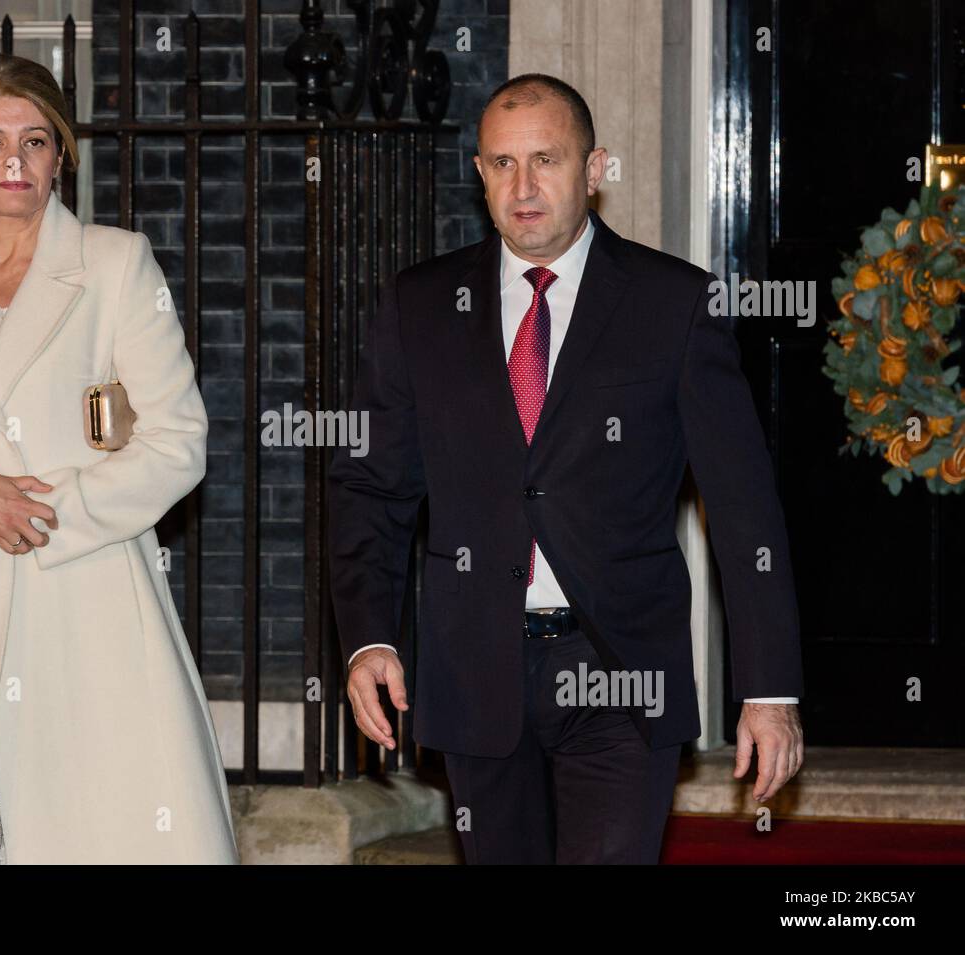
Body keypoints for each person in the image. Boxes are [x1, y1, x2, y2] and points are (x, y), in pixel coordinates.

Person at [326, 73, 804, 864]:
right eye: (502, 164)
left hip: (618, 668)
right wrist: (368, 639)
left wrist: (770, 689)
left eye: (546, 159)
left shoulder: (674, 305)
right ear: (479, 173)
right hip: (476, 667)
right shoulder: (420, 306)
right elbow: (372, 486)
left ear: (594, 169)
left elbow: (746, 507)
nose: (523, 186)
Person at [0, 53, 238, 864]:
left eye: (35, 140)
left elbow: (178, 441)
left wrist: (39, 508)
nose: (15, 162)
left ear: (62, 153)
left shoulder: (115, 264)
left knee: (99, 828)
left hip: (90, 595)